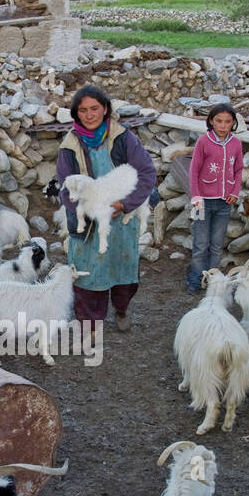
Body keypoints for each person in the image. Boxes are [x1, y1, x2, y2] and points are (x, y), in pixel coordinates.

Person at [56, 84, 156, 333]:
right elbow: (66, 185)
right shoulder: (69, 145)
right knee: (88, 274)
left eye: (94, 108)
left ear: (105, 109)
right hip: (89, 221)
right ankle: (90, 325)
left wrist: (125, 204)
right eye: (83, 110)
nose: (89, 115)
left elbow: (146, 173)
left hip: (120, 217)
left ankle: (121, 309)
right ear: (75, 113)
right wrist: (87, 208)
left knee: (122, 270)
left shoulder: (123, 138)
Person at [187, 101, 243, 293]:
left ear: (233, 123)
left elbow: (238, 170)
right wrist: (196, 196)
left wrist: (234, 192)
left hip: (224, 203)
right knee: (201, 244)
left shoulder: (235, 143)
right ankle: (195, 280)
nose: (223, 125)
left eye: (228, 121)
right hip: (202, 203)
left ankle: (212, 281)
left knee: (217, 245)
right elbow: (194, 170)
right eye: (218, 121)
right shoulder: (204, 141)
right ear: (211, 121)